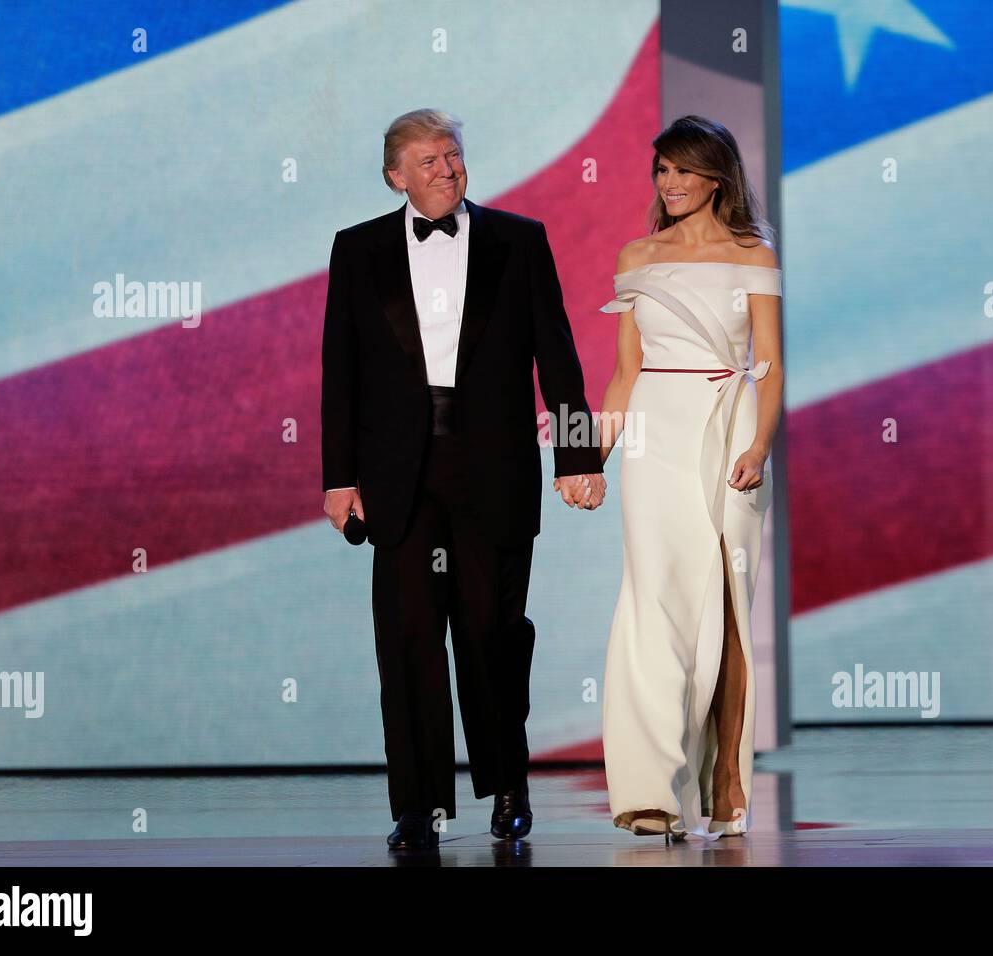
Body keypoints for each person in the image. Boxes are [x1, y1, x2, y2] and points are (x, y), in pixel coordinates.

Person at [320, 108, 606, 851]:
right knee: (409, 639)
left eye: (452, 156)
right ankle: (416, 807)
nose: (446, 169)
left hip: (496, 470)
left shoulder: (520, 240)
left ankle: (509, 786)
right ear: (395, 177)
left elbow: (561, 359)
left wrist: (577, 458)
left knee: (493, 637)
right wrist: (337, 477)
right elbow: (339, 372)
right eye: (427, 161)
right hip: (398, 478)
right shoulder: (358, 250)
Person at [597, 115, 784, 840]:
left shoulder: (753, 254)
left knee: (731, 603)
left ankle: (728, 776)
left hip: (731, 426)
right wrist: (587, 458)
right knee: (652, 601)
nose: (668, 184)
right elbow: (622, 373)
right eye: (661, 171)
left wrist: (761, 444)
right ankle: (648, 790)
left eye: (682, 171)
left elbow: (767, 362)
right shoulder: (637, 255)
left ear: (717, 177)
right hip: (653, 432)